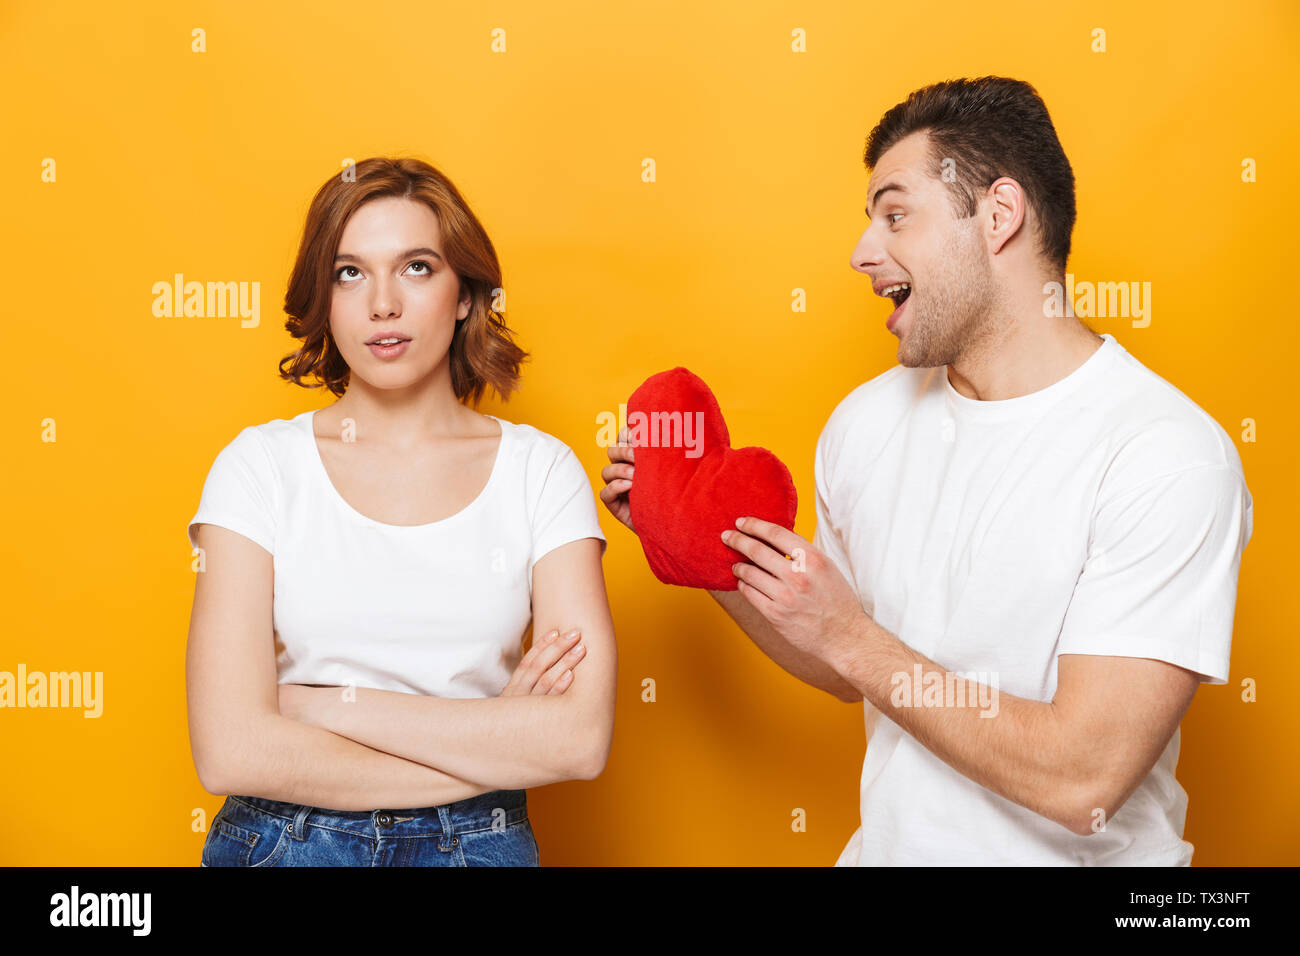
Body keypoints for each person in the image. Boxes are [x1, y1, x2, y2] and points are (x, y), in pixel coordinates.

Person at [600, 77, 1252, 865]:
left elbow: (1087, 780)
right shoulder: (866, 423)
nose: (861, 253)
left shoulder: (1164, 453)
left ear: (999, 216)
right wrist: (694, 544)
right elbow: (840, 660)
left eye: (895, 214)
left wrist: (854, 639)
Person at [185, 157, 615, 867]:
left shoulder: (540, 471)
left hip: (478, 848)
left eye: (416, 267)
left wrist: (321, 703)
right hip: (284, 843)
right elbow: (230, 753)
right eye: (349, 272)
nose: (382, 303)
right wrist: (496, 738)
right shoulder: (259, 467)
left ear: (467, 295)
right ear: (324, 299)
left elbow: (578, 742)